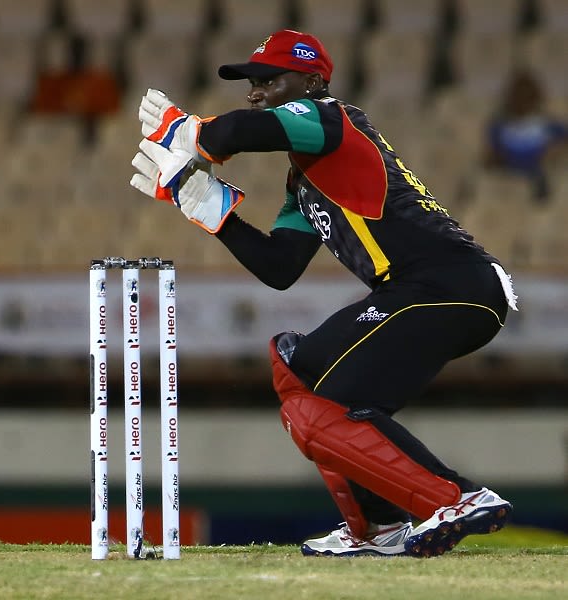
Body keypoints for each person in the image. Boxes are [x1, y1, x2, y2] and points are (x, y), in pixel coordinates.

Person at [129, 29, 517, 557]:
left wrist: (187, 131)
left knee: (316, 402)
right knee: (303, 377)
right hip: (437, 289)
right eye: (251, 82)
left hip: (446, 283)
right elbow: (280, 266)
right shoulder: (308, 177)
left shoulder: (331, 117)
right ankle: (378, 528)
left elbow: (239, 132)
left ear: (312, 82)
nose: (256, 91)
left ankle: (456, 498)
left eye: (269, 80)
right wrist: (208, 209)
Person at [483, 68, 568, 201]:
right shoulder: (500, 127)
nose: (522, 100)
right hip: (508, 179)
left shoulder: (548, 125)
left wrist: (555, 152)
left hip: (539, 178)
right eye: (518, 95)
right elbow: (491, 158)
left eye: (527, 95)